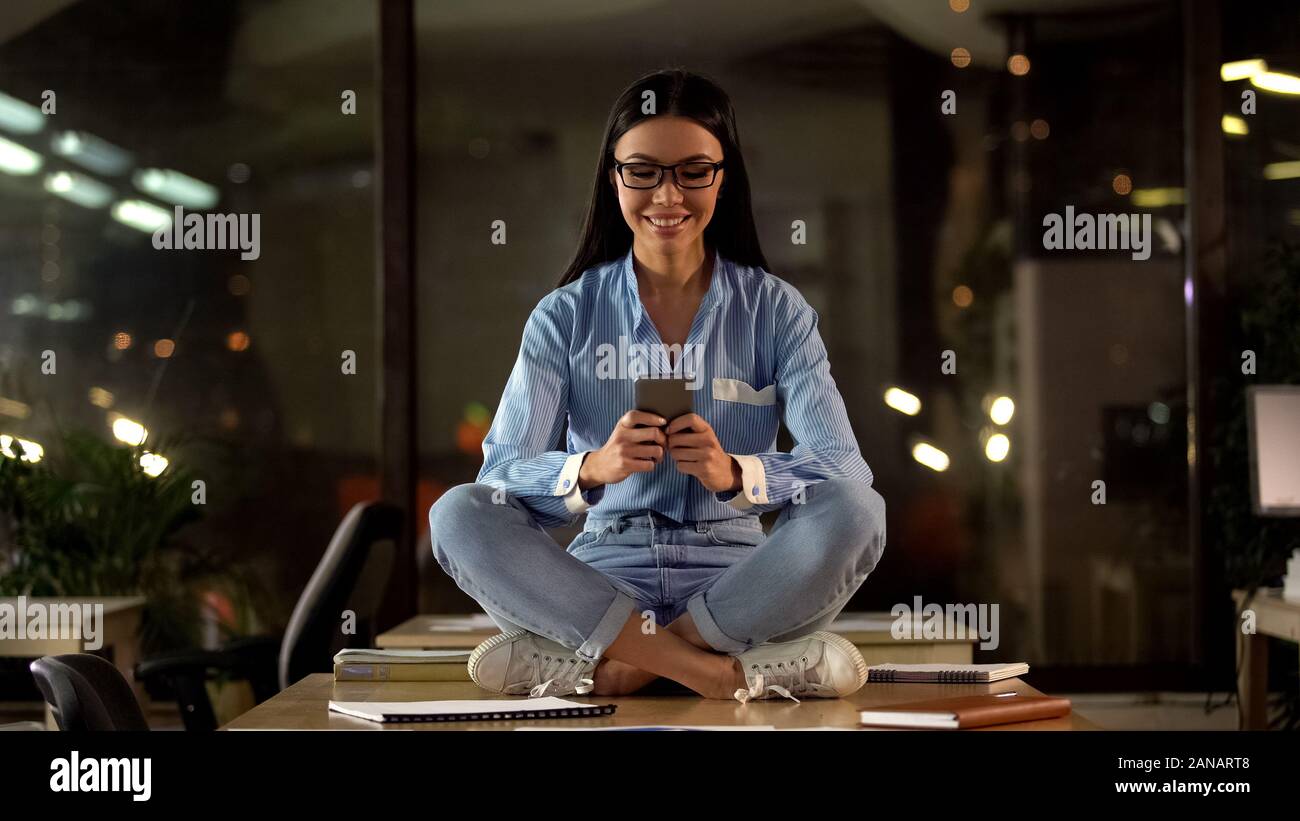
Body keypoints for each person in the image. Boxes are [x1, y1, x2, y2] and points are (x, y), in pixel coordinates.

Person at [429, 68, 886, 704]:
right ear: (613, 177)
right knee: (457, 513)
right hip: (599, 583)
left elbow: (843, 471)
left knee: (860, 510)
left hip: (736, 586)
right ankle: (717, 673)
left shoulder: (777, 311)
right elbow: (501, 476)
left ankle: (617, 670)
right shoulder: (564, 315)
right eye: (643, 171)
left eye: (692, 171)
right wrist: (591, 468)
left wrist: (738, 474)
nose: (667, 196)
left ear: (722, 177)